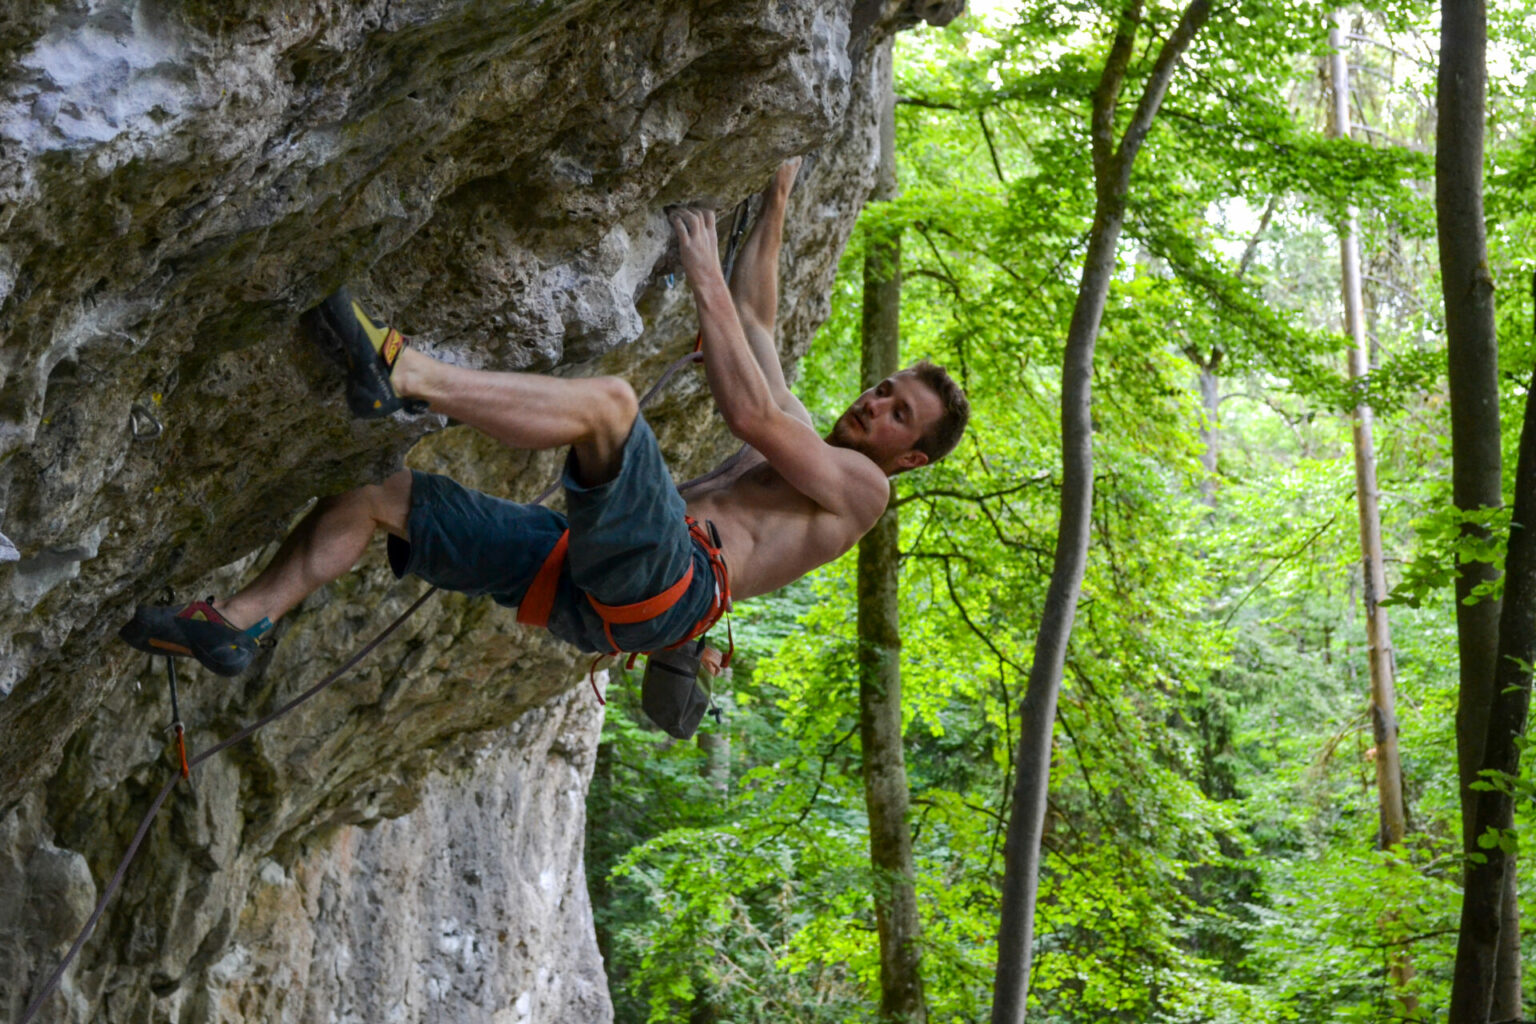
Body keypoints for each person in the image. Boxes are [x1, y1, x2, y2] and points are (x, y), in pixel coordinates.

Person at [120, 160, 970, 676]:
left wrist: (699, 264)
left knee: (610, 407)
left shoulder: (861, 492)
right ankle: (235, 624)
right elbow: (757, 321)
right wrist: (778, 200)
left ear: (913, 458)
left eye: (898, 413)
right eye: (884, 388)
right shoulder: (817, 454)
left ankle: (402, 372)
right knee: (379, 494)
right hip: (589, 587)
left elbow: (749, 409)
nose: (874, 403)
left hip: (668, 584)